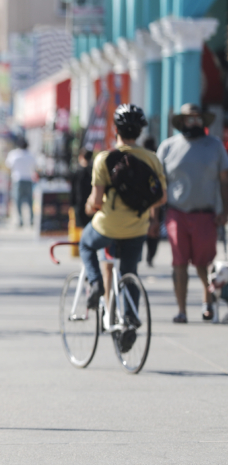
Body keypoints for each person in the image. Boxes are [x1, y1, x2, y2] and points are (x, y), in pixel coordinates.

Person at [80, 105, 166, 349]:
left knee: (86, 244)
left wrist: (89, 206)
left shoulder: (104, 159)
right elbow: (161, 197)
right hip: (137, 228)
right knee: (131, 273)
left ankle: (95, 283)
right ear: (139, 131)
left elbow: (96, 202)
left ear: (115, 129)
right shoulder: (152, 158)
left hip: (107, 226)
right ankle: (129, 318)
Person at [157, 103, 228, 323]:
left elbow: (224, 180)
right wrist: (153, 216)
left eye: (198, 119)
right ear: (182, 122)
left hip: (206, 214)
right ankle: (181, 310)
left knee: (204, 263)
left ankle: (207, 300)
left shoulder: (215, 146)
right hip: (177, 212)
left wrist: (225, 210)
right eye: (190, 119)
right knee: (179, 263)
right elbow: (158, 183)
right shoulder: (168, 147)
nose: (194, 122)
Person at [5, 138, 37, 227]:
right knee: (30, 201)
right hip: (28, 179)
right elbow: (35, 166)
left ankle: (20, 220)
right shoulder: (31, 155)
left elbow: (8, 165)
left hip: (17, 179)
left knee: (17, 201)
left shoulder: (14, 154)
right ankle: (31, 220)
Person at [142, 138, 162, 268]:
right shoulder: (156, 161)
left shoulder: (140, 159)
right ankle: (150, 256)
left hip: (140, 202)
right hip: (155, 201)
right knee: (153, 233)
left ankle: (144, 257)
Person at [70, 148, 95, 229]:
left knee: (81, 229)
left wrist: (72, 204)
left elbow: (73, 190)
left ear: (80, 156)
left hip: (79, 204)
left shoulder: (77, 171)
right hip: (92, 204)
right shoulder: (94, 170)